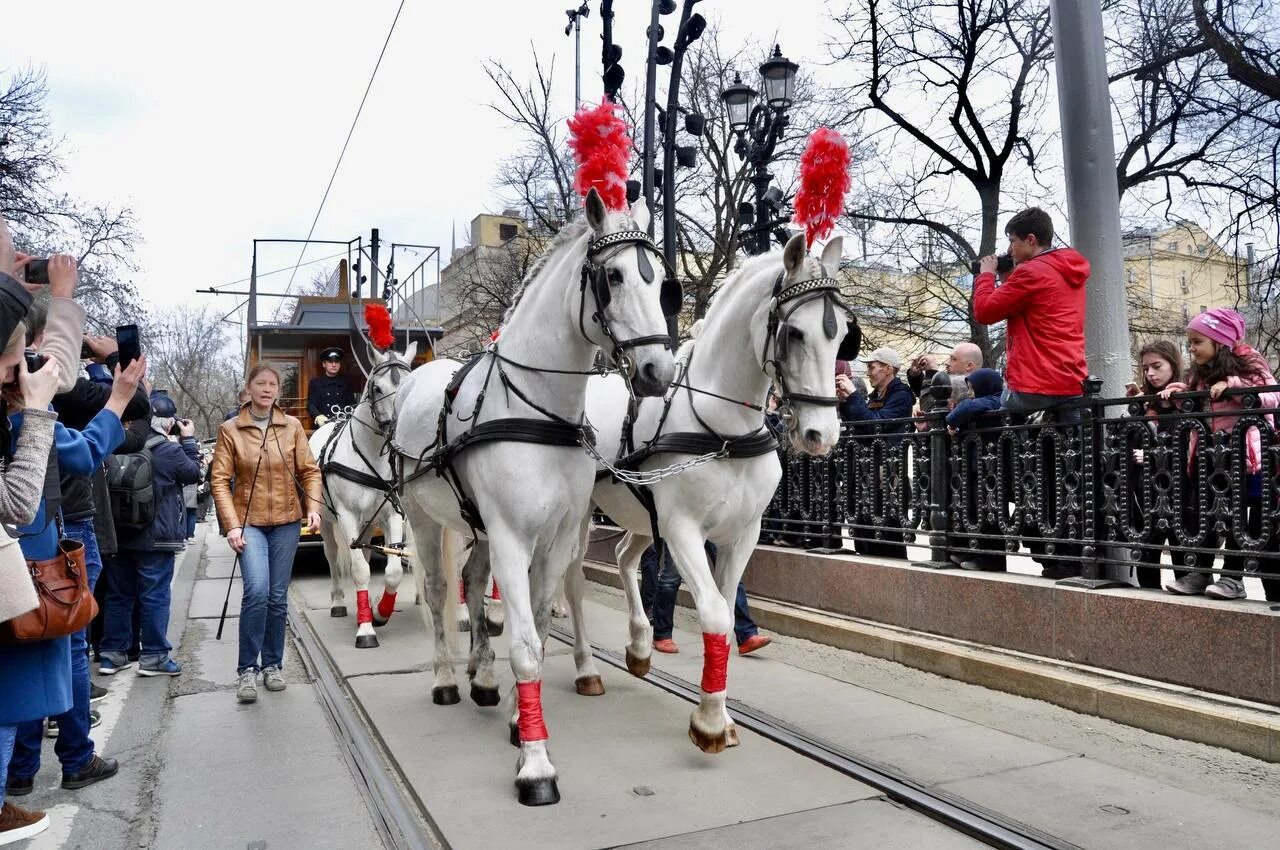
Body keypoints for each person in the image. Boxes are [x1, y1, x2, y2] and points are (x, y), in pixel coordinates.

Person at [5, 255, 145, 805]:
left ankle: (19, 777)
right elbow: (85, 452)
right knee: (58, 645)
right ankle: (74, 757)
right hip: (37, 556)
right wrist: (118, 394)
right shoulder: (25, 410)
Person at [212, 364, 322, 704]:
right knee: (257, 591)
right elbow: (219, 480)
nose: (267, 389)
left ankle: (272, 665)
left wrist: (314, 507)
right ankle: (247, 669)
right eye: (260, 383)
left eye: (272, 384)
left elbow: (310, 470)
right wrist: (231, 525)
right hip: (250, 523)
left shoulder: (291, 428)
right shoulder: (231, 429)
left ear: (278, 391)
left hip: (288, 521)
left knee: (277, 596)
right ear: (249, 389)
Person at [1159, 309, 1280, 601]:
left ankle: (1232, 578)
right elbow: (1193, 397)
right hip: (1210, 457)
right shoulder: (1201, 373)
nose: (1192, 348)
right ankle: (1201, 573)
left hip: (1242, 457)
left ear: (1220, 341)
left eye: (1197, 341)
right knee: (1208, 516)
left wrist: (1234, 386)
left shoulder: (1248, 361)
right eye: (1190, 342)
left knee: (1237, 518)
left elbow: (1273, 396)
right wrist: (1178, 391)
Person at [98, 392, 202, 677]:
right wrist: (189, 440)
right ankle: (154, 656)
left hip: (119, 534)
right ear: (169, 424)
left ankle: (112, 654)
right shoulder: (169, 451)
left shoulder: (115, 444)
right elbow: (193, 474)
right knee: (154, 596)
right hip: (156, 537)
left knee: (119, 595)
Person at [972, 207, 1090, 419]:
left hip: (1036, 382)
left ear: (1031, 240)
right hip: (1071, 380)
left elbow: (984, 312)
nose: (1009, 249)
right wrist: (1008, 278)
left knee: (1007, 422)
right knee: (1074, 446)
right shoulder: (1066, 269)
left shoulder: (1030, 271)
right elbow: (1025, 306)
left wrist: (986, 276)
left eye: (1012, 241)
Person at [1122, 341, 1208, 590]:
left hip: (1183, 495)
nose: (1150, 373)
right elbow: (1128, 444)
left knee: (1185, 558)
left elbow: (1195, 449)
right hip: (1146, 495)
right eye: (1146, 367)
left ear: (1173, 364)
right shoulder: (1145, 404)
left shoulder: (1189, 402)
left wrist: (1155, 457)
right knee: (1147, 557)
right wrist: (1136, 408)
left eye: (1157, 366)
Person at [837, 347, 914, 559]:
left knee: (886, 522)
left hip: (887, 469)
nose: (868, 372)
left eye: (872, 367)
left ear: (888, 369)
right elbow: (858, 422)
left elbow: (875, 425)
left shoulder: (901, 395)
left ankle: (892, 568)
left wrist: (853, 396)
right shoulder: (876, 395)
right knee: (864, 520)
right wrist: (845, 401)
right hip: (866, 467)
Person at [639, 542, 772, 656]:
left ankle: (746, 634)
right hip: (682, 518)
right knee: (671, 576)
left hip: (712, 519)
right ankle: (662, 634)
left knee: (731, 572)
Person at [946, 369, 1007, 572]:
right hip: (978, 468)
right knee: (973, 510)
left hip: (993, 469)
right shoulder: (983, 403)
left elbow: (965, 409)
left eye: (972, 388)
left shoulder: (997, 400)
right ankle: (972, 551)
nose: (970, 393)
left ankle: (991, 559)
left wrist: (955, 417)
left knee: (990, 512)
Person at [306, 348, 356, 427]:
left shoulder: (346, 383)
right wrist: (318, 416)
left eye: (336, 362)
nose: (334, 365)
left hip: (342, 425)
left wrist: (346, 416)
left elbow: (352, 404)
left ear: (340, 364)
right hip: (322, 426)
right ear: (324, 364)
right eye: (330, 362)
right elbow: (311, 404)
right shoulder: (315, 383)